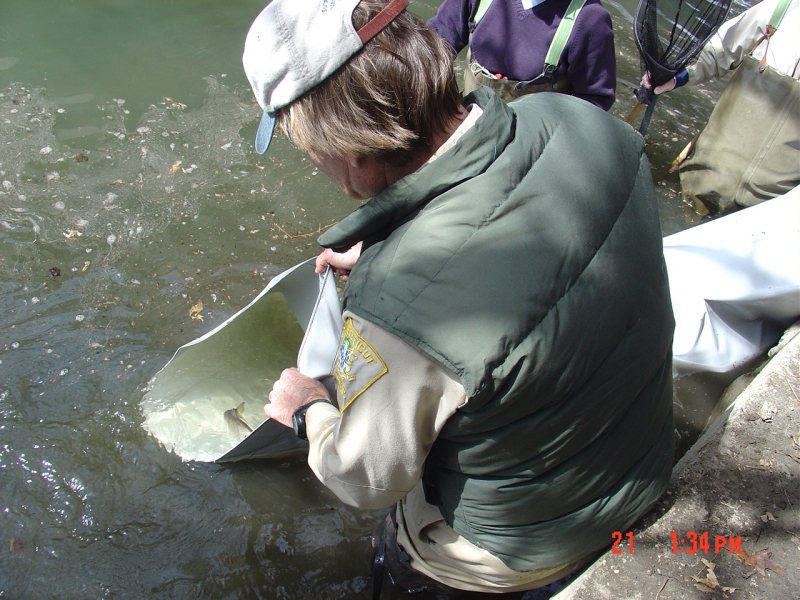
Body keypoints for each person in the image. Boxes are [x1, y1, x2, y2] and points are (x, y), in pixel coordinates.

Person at [243, 0, 674, 596]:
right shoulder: (581, 121)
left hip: (516, 554)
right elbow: (525, 251)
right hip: (636, 476)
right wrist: (394, 248)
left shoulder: (400, 307)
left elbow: (365, 478)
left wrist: (306, 407)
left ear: (350, 152)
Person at [646, 0, 799, 214]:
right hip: (702, 178)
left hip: (769, 211)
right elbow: (716, 52)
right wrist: (676, 77)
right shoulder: (781, 10)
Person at [427, 0, 617, 110]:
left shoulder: (590, 20)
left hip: (529, 148)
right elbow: (434, 43)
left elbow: (594, 102)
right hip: (468, 119)